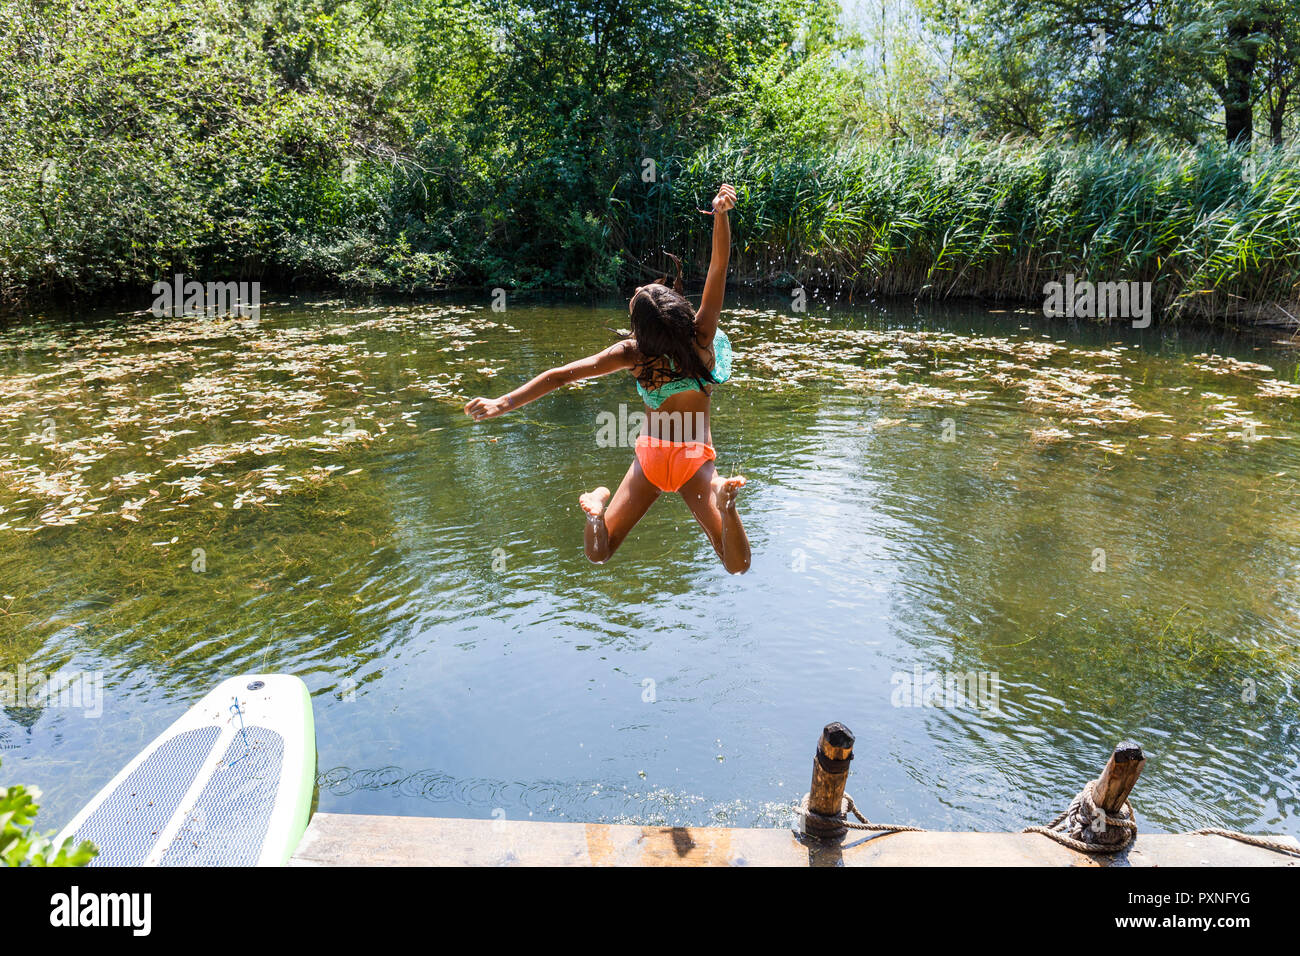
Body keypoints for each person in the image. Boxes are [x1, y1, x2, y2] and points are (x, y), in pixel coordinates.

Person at [464, 184, 749, 574]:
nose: (634, 290)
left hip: (650, 457)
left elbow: (561, 375)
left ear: (642, 329)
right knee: (735, 564)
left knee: (599, 552)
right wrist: (720, 216)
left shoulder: (631, 354)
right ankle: (723, 499)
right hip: (693, 461)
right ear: (678, 311)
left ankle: (597, 509)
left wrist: (504, 403)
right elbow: (718, 267)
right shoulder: (700, 336)